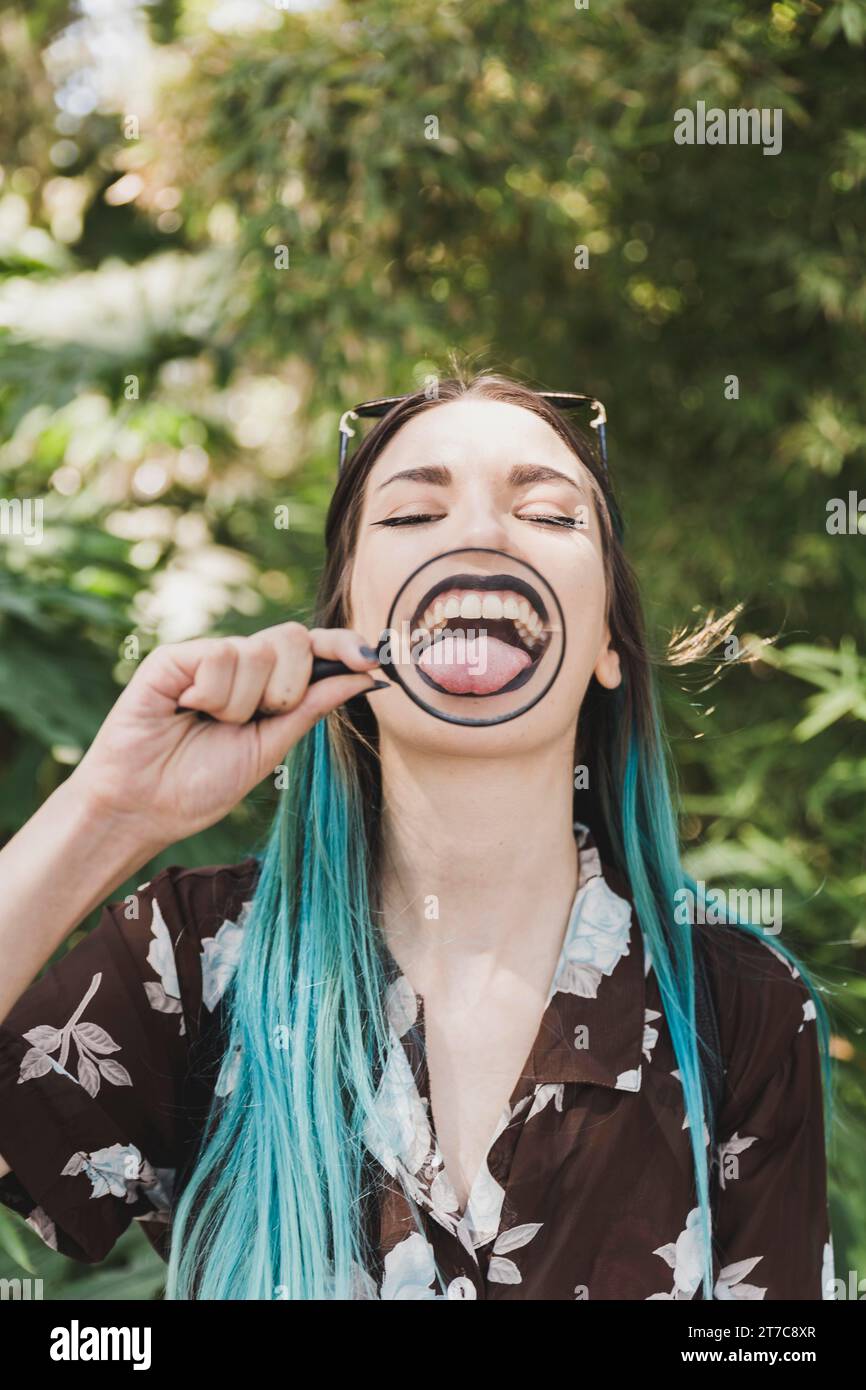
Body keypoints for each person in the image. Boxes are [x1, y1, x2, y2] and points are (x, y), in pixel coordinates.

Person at [0, 373, 835, 1300]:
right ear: (350, 625)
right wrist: (109, 812)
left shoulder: (742, 1005)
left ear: (607, 642)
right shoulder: (190, 959)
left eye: (549, 514)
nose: (480, 534)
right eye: (411, 516)